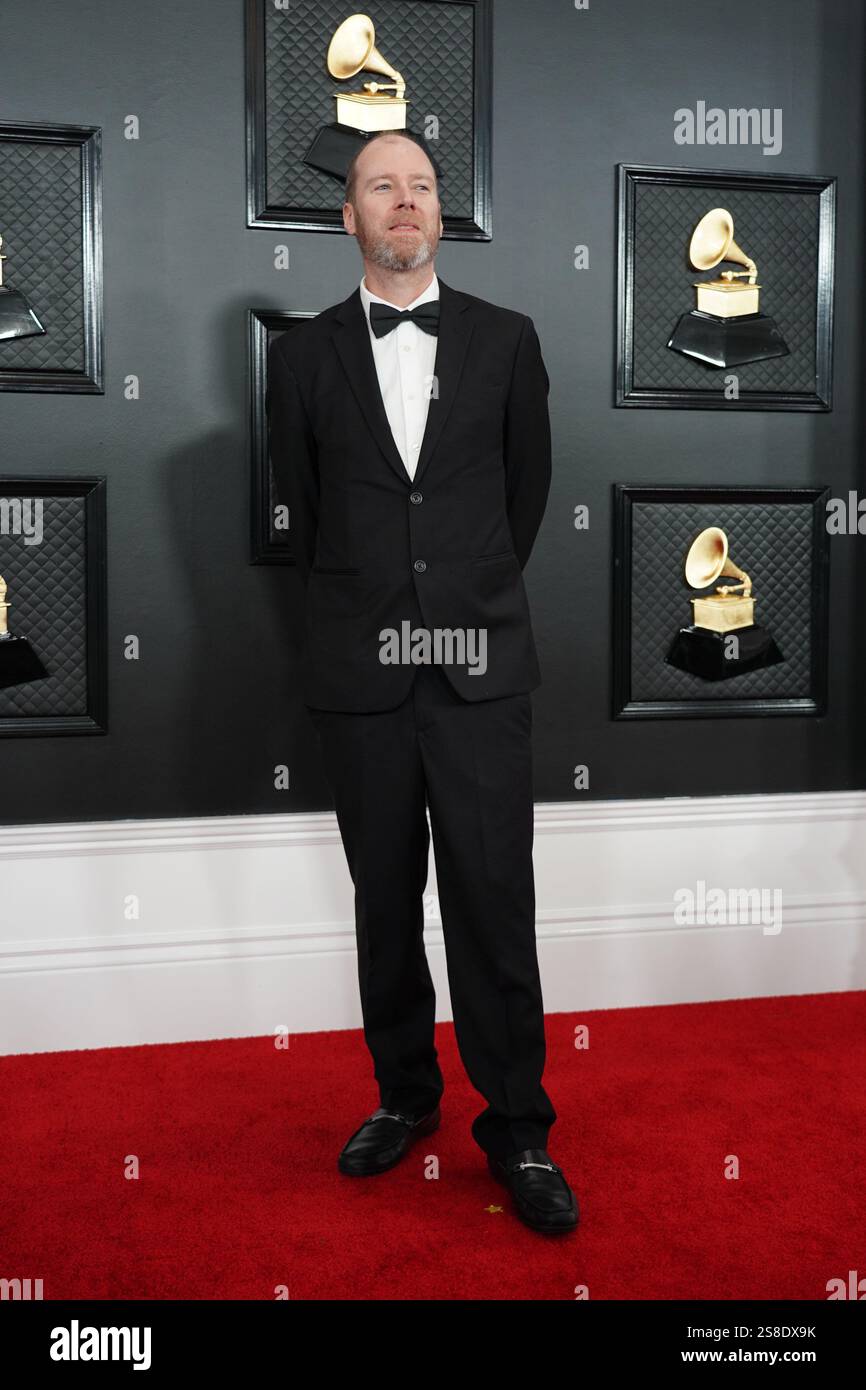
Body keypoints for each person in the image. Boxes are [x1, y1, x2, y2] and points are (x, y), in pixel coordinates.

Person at [266, 130, 577, 1235]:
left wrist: (463, 606)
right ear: (346, 216)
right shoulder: (300, 359)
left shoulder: (505, 339)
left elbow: (523, 497)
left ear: (441, 213)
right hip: (361, 672)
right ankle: (404, 1097)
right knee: (384, 904)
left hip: (481, 669)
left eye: (421, 187)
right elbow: (305, 519)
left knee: (494, 901)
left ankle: (519, 1125)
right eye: (380, 187)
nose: (404, 203)